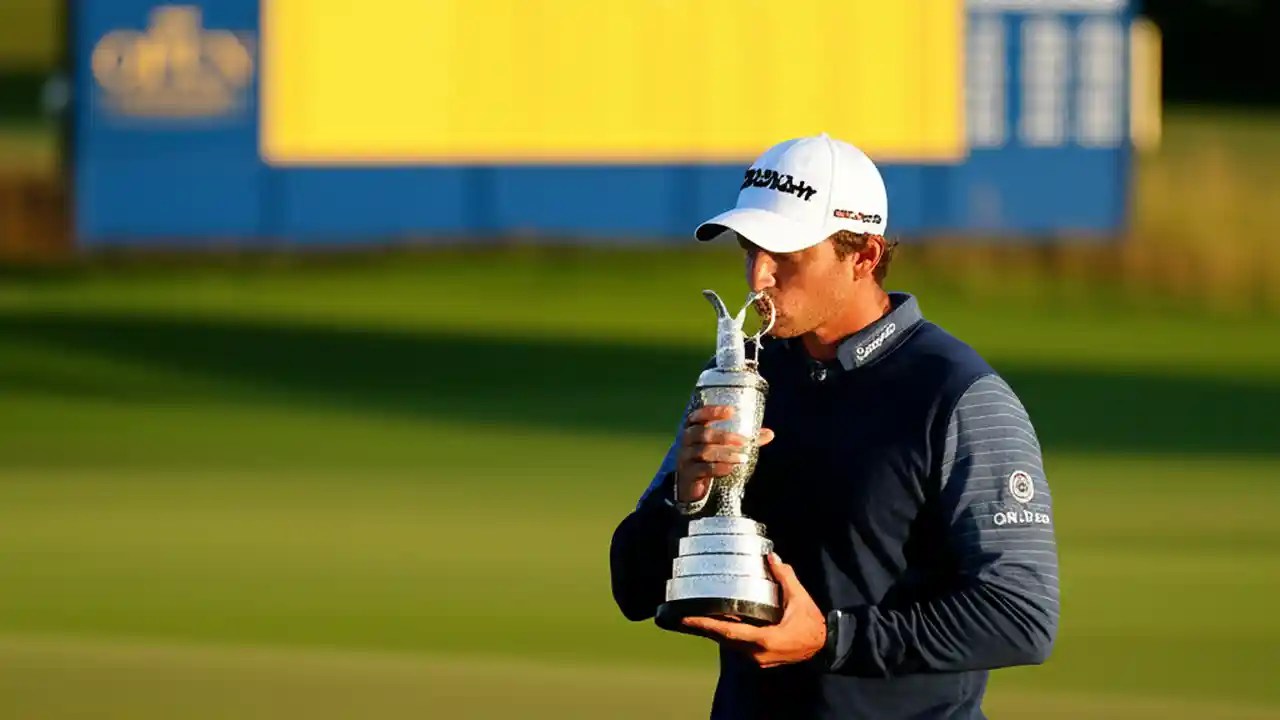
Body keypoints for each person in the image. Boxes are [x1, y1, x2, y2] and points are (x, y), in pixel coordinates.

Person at [609, 134, 1059, 719]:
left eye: (787, 257)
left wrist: (830, 638)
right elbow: (634, 590)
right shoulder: (742, 375)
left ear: (864, 257)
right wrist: (683, 501)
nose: (757, 277)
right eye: (750, 250)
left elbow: (1021, 616)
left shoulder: (959, 395)